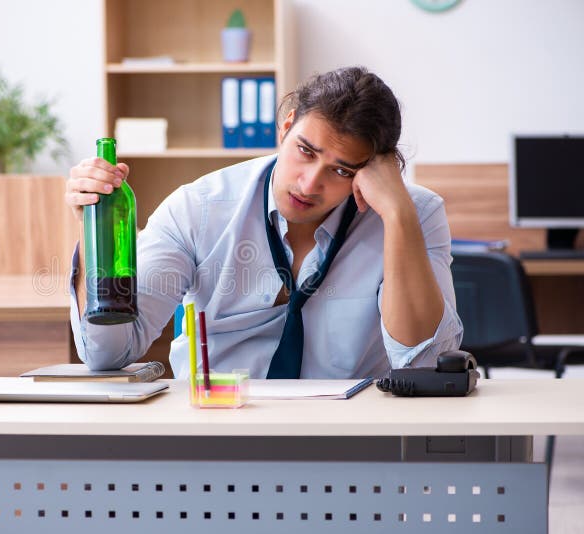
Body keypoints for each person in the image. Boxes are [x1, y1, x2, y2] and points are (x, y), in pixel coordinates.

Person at [65, 66, 463, 379]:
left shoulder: (415, 214)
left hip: (351, 446)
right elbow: (107, 354)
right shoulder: (197, 209)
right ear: (286, 126)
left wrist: (397, 215)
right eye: (306, 151)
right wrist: (92, 230)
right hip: (217, 437)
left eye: (341, 171)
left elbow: (424, 363)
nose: (310, 184)